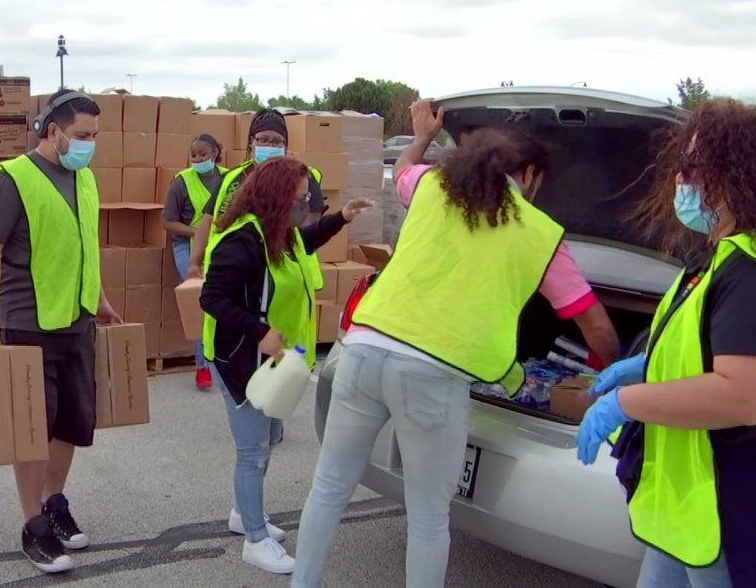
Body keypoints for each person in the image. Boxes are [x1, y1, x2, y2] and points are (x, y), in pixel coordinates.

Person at [292, 100, 621, 588]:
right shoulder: (539, 234)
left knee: (328, 487)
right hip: (429, 377)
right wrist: (614, 372)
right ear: (528, 174)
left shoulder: (430, 187)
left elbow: (402, 166)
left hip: (363, 349)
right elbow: (595, 328)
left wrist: (422, 133)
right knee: (428, 518)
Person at [577, 99, 756, 588]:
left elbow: (742, 395)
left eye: (694, 168)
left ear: (733, 174)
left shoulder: (746, 270)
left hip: (726, 508)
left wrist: (626, 401)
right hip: (683, 507)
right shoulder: (711, 259)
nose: (682, 179)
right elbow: (698, 347)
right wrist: (647, 365)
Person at [0, 89, 124, 575]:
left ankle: (54, 501)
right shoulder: (13, 179)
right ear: (52, 131)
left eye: (95, 137)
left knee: (70, 425)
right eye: (81, 135)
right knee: (32, 429)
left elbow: (84, 244)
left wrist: (98, 298)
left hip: (76, 318)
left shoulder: (85, 179)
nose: (89, 145)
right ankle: (32, 523)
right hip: (28, 319)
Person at [199, 156, 373, 575]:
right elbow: (212, 298)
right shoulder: (241, 241)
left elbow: (307, 241)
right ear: (277, 197)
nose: (304, 204)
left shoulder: (281, 235)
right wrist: (259, 331)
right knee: (252, 450)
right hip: (241, 358)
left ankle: (245, 513)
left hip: (273, 360)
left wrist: (341, 219)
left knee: (270, 436)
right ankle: (254, 539)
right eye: (298, 198)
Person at [187, 109, 325, 278]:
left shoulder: (303, 178)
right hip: (233, 270)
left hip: (288, 273)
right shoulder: (232, 178)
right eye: (263, 140)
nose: (270, 146)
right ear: (252, 142)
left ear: (285, 146)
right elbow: (208, 222)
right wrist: (194, 263)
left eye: (276, 142)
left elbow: (311, 226)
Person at [162, 133, 227, 390]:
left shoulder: (228, 177)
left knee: (222, 301)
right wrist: (198, 232)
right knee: (200, 301)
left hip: (221, 245)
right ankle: (202, 366)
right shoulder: (180, 182)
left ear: (215, 153)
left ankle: (221, 360)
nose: (198, 159)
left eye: (203, 154)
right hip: (186, 246)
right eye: (194, 155)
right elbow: (167, 221)